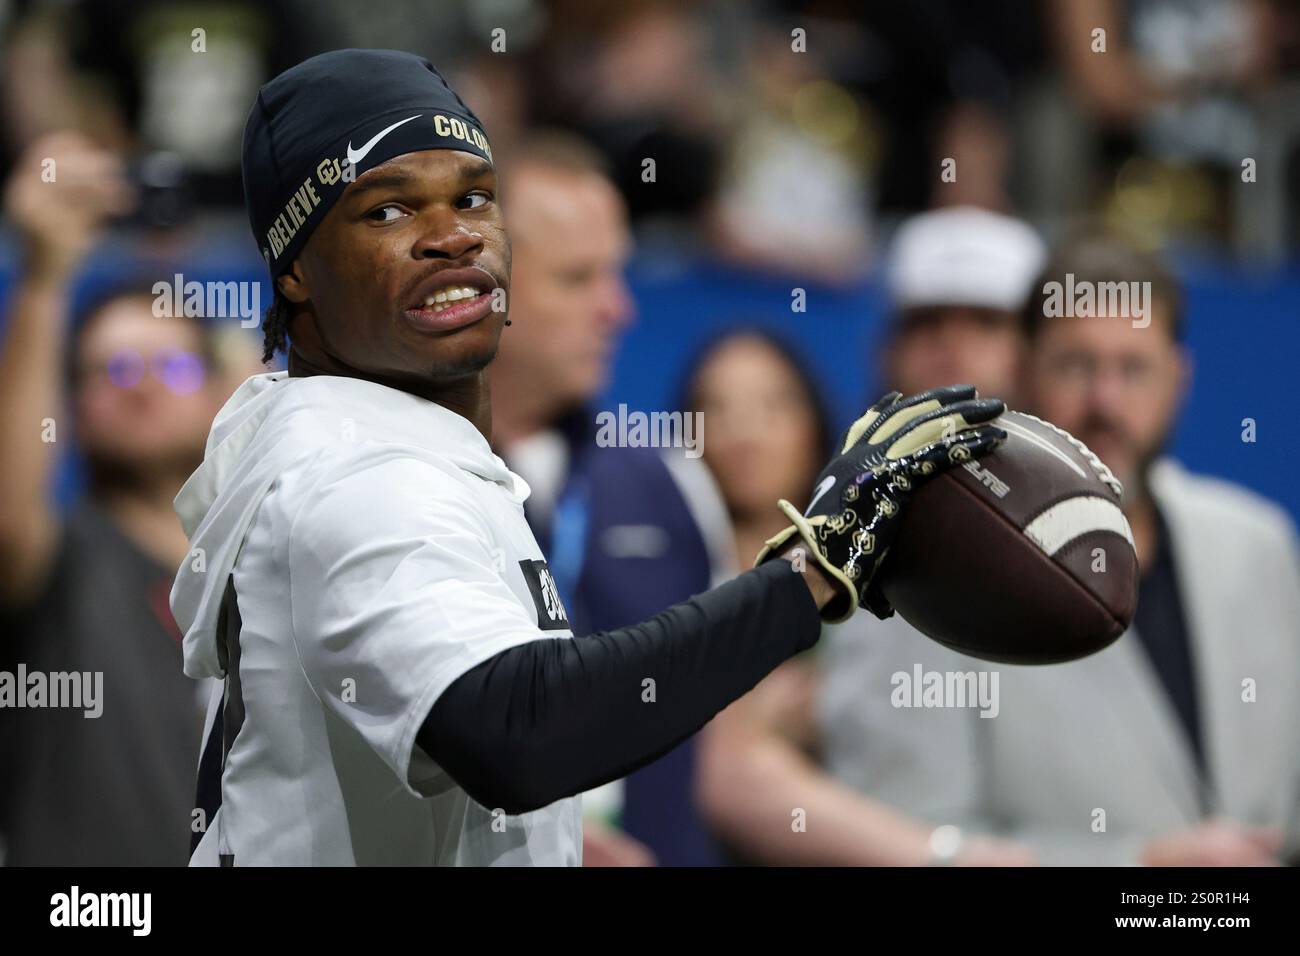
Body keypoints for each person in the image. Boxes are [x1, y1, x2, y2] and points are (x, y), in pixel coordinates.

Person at [175, 48, 1007, 866]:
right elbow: (514, 732)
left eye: (473, 197)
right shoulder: (359, 476)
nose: (452, 237)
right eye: (388, 211)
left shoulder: (397, 448)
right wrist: (811, 572)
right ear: (295, 273)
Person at [822, 230, 1300, 865]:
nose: (1106, 401)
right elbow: (905, 835)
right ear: (1022, 372)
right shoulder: (924, 571)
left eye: (1134, 369)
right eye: (1077, 366)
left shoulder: (1255, 545)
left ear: (1178, 381)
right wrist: (1142, 871)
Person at [692, 209, 1045, 864]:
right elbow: (728, 766)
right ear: (885, 349)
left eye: (985, 323)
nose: (954, 347)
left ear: (1032, 348)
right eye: (927, 323)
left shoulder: (1088, 530)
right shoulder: (831, 532)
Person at [0, 132, 247, 865]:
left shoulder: (264, 578)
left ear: (219, 393)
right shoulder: (61, 563)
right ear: (67, 406)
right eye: (108, 368)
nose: (139, 381)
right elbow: (8, 523)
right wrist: (45, 277)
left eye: (169, 364)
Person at [490, 134, 734, 866]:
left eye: (617, 273)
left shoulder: (675, 484)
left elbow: (725, 749)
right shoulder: (398, 491)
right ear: (482, 287)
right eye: (577, 279)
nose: (618, 310)